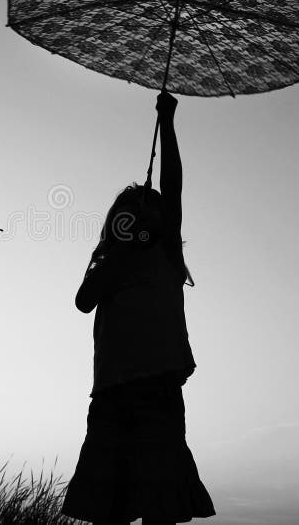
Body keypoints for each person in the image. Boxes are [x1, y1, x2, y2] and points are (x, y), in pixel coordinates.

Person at [61, 91, 215, 525]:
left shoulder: (164, 252)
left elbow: (174, 183)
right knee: (109, 507)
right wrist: (118, 257)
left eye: (152, 211)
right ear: (119, 223)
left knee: (159, 506)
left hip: (157, 390)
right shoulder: (111, 264)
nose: (144, 217)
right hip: (111, 394)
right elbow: (82, 301)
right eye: (133, 213)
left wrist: (167, 121)